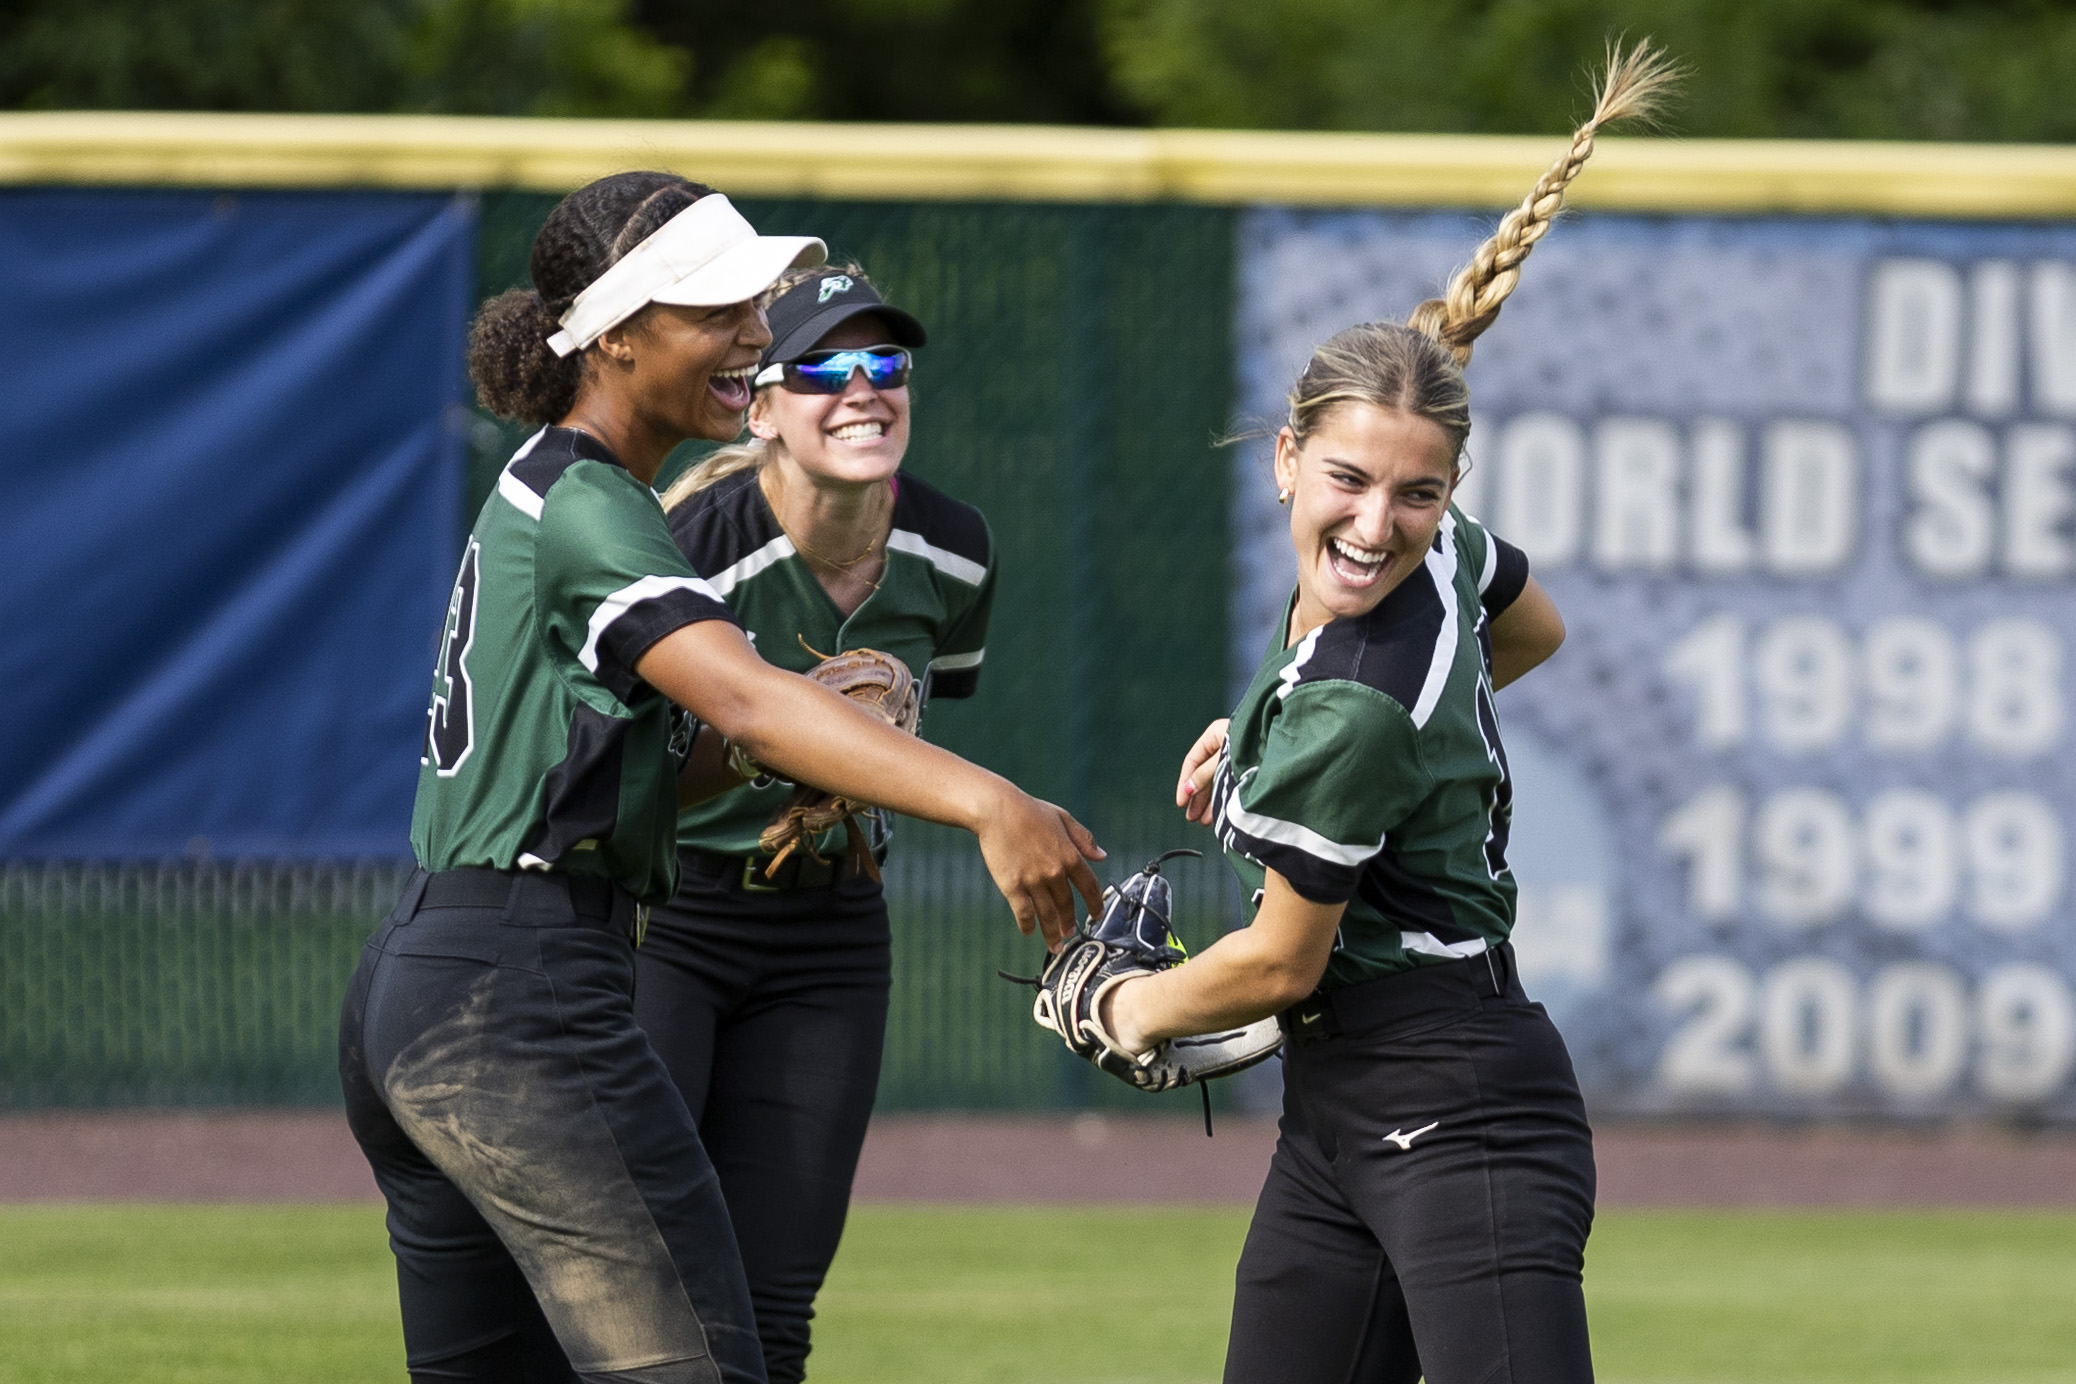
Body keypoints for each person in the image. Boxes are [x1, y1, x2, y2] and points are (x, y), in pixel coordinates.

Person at [337, 172, 1104, 1384]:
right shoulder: (592, 502)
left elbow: (622, 771)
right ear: (616, 333)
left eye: (752, 305)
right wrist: (986, 799)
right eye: (716, 309)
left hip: (433, 974)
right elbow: (745, 694)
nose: (754, 331)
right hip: (520, 991)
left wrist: (784, 757)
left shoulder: (560, 483)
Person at [1095, 47, 1675, 1384]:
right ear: (1287, 456)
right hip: (1340, 1116)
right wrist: (1295, 741)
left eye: (1416, 495)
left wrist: (1124, 1008)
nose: (1377, 522)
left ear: (1448, 489)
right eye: (1349, 479)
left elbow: (1276, 965)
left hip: (1459, 1107)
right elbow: (1533, 628)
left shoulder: (1355, 709)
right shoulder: (1440, 568)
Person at [635, 263, 983, 1383]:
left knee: (775, 1302)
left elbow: (923, 722)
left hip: (831, 934)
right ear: (762, 407)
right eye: (823, 368)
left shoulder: (955, 551)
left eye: (886, 362)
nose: (863, 387)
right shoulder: (694, 544)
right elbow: (621, 774)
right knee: (642, 1283)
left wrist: (856, 766)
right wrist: (781, 738)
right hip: (671, 920)